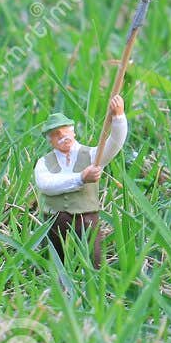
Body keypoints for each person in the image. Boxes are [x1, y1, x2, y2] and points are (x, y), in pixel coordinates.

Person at [33, 95, 128, 267]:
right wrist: (80, 178)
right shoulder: (44, 162)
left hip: (86, 217)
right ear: (51, 141)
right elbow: (46, 185)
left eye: (65, 131)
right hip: (55, 218)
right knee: (54, 257)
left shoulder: (92, 155)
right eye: (56, 134)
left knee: (94, 256)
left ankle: (96, 279)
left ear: (73, 131)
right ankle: (56, 279)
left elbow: (114, 143)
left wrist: (118, 117)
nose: (62, 136)